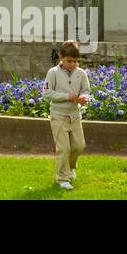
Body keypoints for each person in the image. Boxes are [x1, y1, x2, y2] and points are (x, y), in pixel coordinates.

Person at [42, 40, 90, 190]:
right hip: (58, 116)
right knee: (63, 148)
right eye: (69, 61)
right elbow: (47, 94)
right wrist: (66, 96)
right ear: (60, 56)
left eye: (75, 61)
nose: (72, 64)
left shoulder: (81, 74)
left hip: (75, 116)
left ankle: (70, 168)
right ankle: (62, 178)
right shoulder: (53, 73)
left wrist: (84, 98)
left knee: (79, 146)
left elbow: (86, 91)